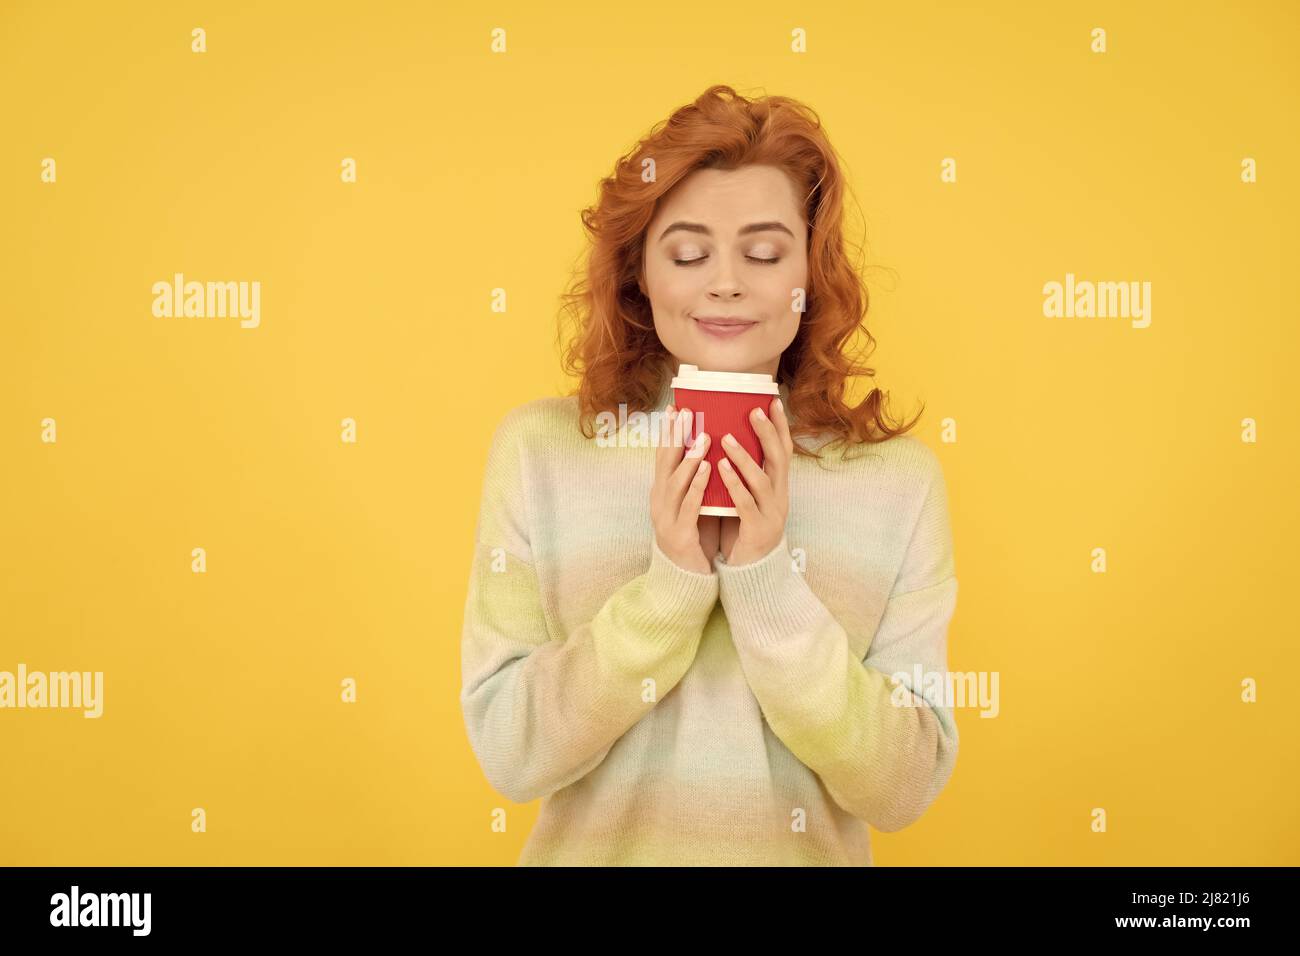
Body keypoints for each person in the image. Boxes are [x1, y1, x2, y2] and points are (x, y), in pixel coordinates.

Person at [460, 85, 959, 865]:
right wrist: (669, 592)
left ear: (810, 272)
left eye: (764, 253)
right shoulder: (541, 452)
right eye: (688, 253)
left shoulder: (897, 482)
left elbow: (903, 788)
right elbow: (509, 753)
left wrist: (767, 583)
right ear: (641, 276)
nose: (726, 282)